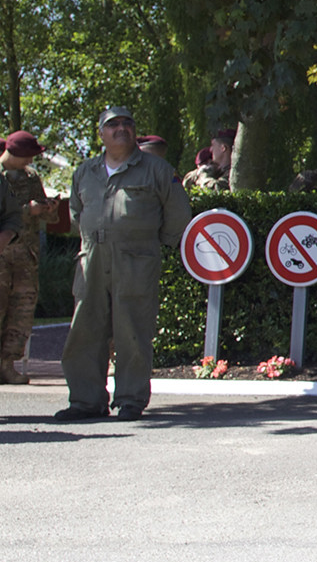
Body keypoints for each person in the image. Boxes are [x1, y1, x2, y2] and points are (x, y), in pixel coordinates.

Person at [57, 105, 192, 420]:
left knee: (132, 329)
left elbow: (178, 213)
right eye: (112, 124)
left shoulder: (156, 170)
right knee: (85, 329)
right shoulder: (85, 172)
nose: (120, 129)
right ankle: (86, 401)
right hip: (91, 258)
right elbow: (77, 212)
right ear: (101, 133)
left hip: (136, 259)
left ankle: (130, 399)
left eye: (127, 123)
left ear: (134, 130)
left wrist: (151, 243)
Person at [0, 131, 43, 385]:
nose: (31, 160)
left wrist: (44, 209)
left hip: (26, 255)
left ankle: (7, 364)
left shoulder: (31, 177)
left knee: (22, 311)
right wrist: (29, 210)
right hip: (3, 256)